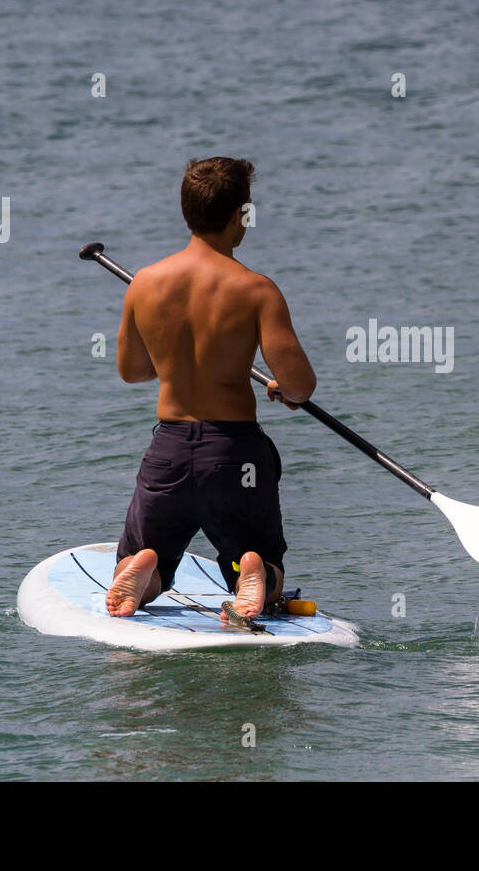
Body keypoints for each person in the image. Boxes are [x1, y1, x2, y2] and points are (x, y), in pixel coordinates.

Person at [105, 157, 316, 622]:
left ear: (187, 211)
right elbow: (301, 386)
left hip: (171, 451)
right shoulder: (256, 290)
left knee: (148, 551)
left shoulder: (145, 283)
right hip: (234, 453)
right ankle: (253, 571)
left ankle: (142, 569)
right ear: (240, 214)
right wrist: (285, 389)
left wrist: (176, 357)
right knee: (257, 558)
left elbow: (132, 371)